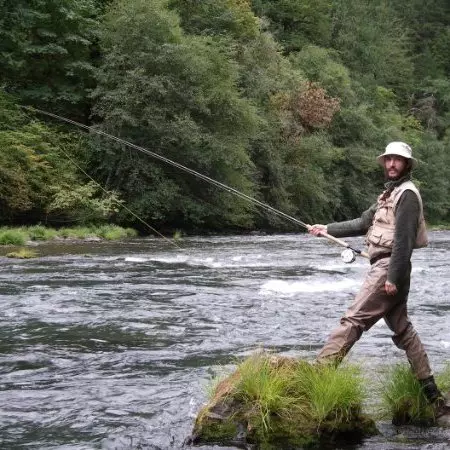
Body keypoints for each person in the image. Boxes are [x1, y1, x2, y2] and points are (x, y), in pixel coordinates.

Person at [309, 141, 449, 421]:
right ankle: (435, 398)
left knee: (353, 320)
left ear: (407, 165)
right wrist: (327, 228)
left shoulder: (408, 195)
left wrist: (392, 278)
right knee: (404, 331)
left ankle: (316, 376)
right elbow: (363, 223)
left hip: (389, 270)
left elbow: (404, 242)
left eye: (398, 160)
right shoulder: (389, 193)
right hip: (386, 268)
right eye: (389, 160)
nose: (392, 164)